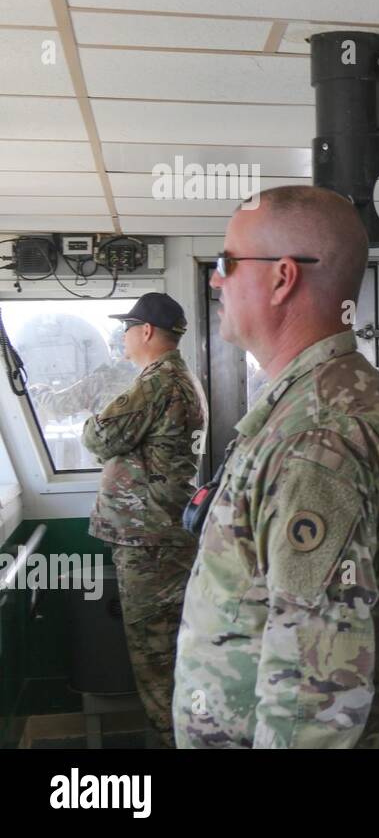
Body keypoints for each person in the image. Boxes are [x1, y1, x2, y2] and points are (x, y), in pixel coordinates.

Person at [173, 185, 379, 749]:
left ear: (283, 278)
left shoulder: (318, 434)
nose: (215, 279)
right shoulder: (311, 402)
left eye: (226, 263)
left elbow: (314, 696)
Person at [80, 292, 207, 748]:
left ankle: (171, 740)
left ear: (147, 331)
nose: (123, 337)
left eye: (127, 329)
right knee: (168, 655)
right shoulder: (176, 380)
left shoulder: (158, 383)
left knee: (157, 662)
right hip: (159, 537)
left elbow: (99, 437)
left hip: (150, 543)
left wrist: (95, 417)